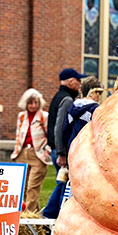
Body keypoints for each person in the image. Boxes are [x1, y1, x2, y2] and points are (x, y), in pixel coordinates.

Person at [42, 68, 85, 218]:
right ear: (71, 81)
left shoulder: (58, 97)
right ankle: (52, 216)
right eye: (78, 81)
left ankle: (50, 216)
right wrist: (61, 152)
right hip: (61, 152)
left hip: (56, 149)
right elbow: (60, 127)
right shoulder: (66, 99)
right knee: (63, 184)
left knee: (62, 184)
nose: (80, 84)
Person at [10, 88, 52, 213]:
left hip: (38, 154)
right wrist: (16, 152)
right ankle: (33, 215)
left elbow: (50, 135)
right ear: (25, 103)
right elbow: (18, 135)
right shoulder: (21, 116)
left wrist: (47, 151)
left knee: (32, 187)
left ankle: (27, 219)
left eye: (36, 103)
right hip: (22, 153)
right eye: (30, 103)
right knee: (21, 188)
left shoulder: (44, 116)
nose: (33, 106)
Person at [63, 76, 104, 158]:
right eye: (98, 92)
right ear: (91, 92)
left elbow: (65, 130)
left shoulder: (72, 108)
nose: (99, 96)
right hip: (88, 151)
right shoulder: (95, 109)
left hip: (72, 148)